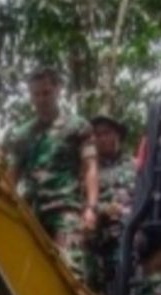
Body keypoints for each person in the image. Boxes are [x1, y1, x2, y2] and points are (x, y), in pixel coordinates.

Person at [5, 67, 99, 279]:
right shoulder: (23, 134)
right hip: (30, 212)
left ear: (58, 90)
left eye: (46, 93)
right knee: (27, 273)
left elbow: (90, 167)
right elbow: (11, 176)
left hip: (64, 209)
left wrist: (91, 208)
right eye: (36, 94)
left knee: (69, 270)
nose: (41, 99)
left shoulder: (78, 126)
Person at [86, 114, 136, 295]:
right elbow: (79, 204)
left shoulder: (134, 165)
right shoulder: (88, 171)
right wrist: (103, 210)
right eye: (97, 135)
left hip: (133, 238)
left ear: (117, 135)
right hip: (102, 244)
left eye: (106, 133)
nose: (102, 139)